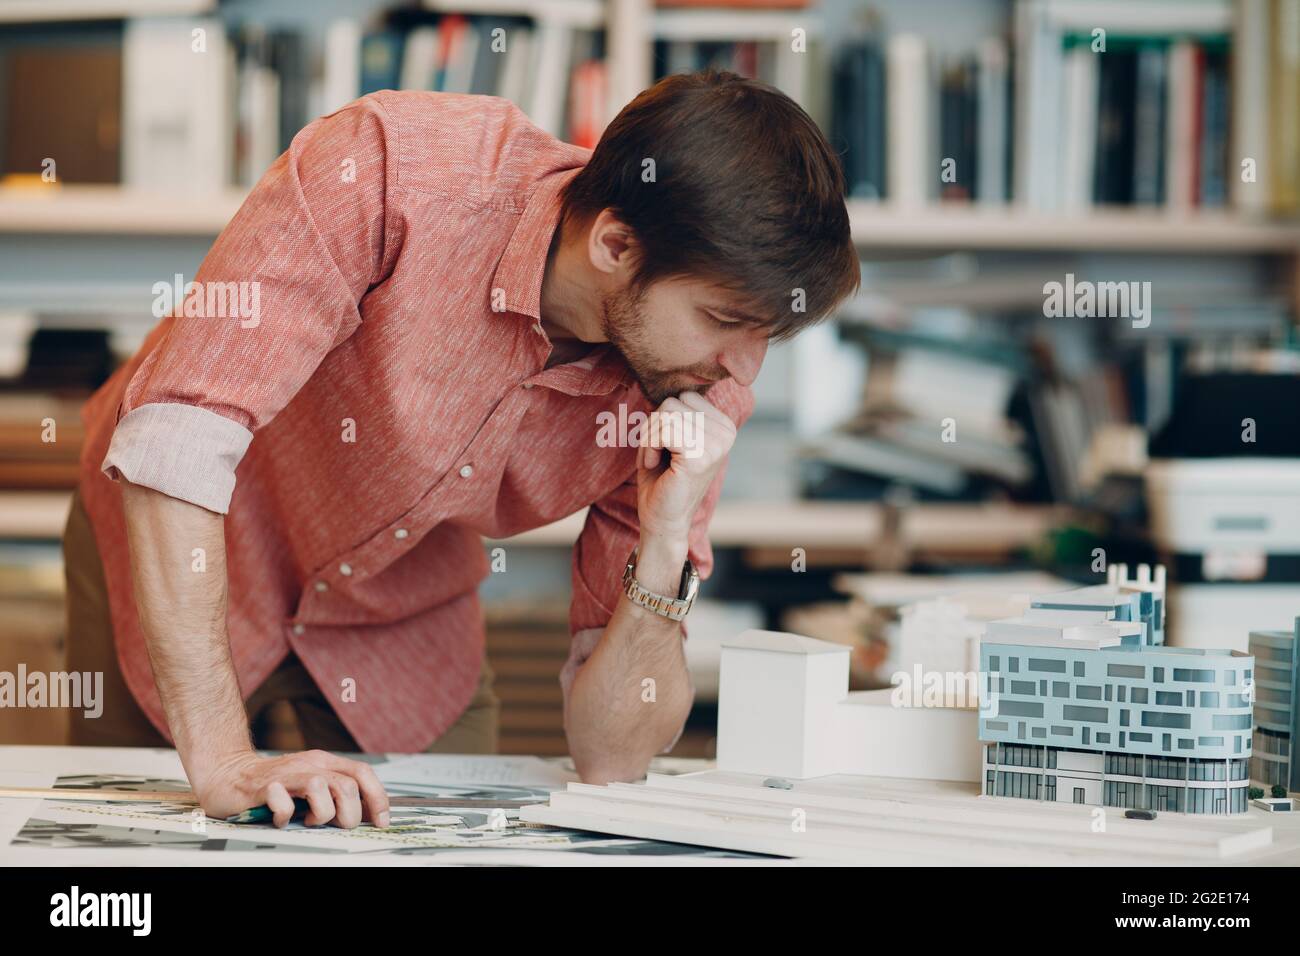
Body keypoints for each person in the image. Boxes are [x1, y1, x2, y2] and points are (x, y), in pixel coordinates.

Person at [64, 69, 860, 829]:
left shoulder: (691, 384)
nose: (744, 373)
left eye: (769, 335)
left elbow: (613, 759)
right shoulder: (388, 167)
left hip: (401, 609)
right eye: (726, 320)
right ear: (615, 246)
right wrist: (225, 762)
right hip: (186, 548)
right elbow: (176, 439)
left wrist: (663, 543)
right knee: (139, 842)